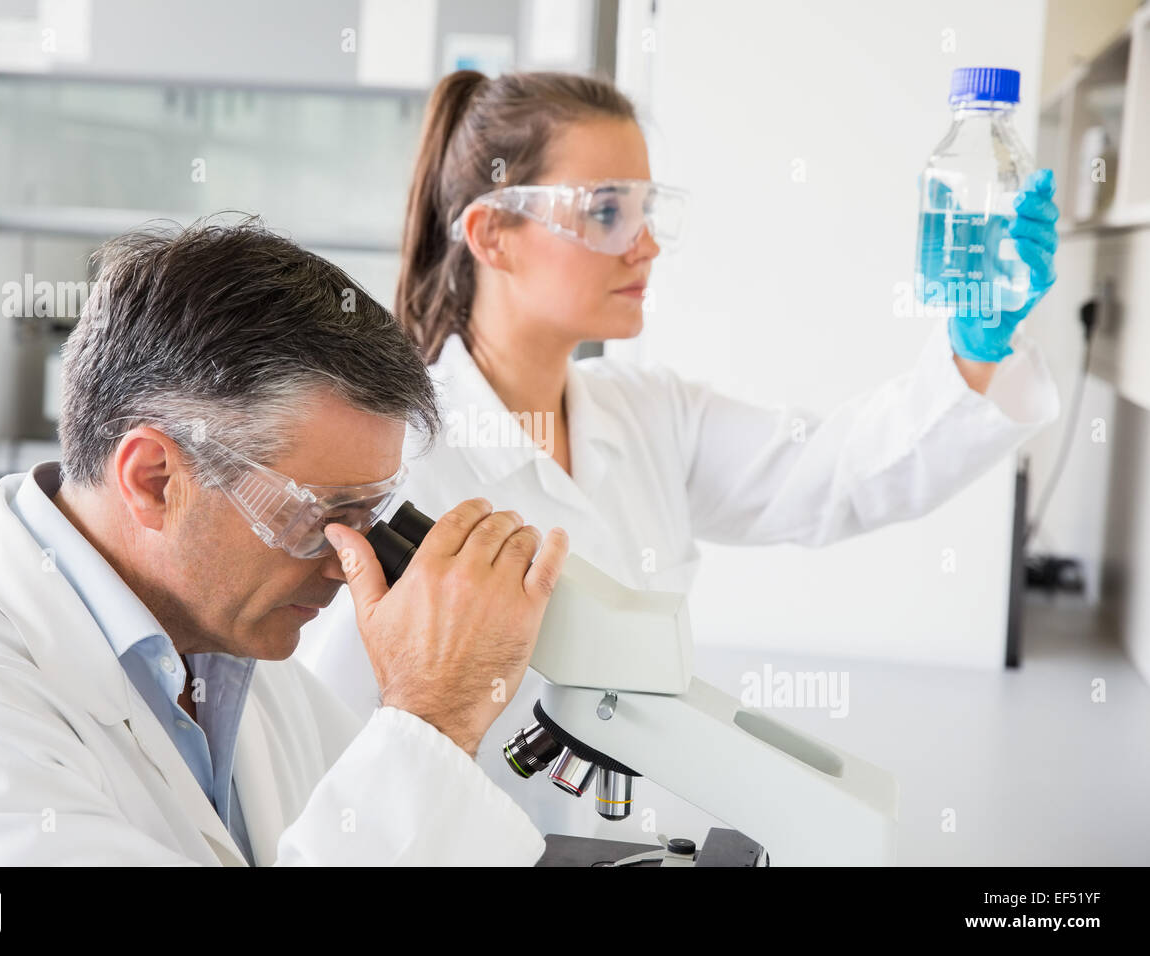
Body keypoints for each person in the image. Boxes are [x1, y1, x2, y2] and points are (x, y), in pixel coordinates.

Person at [307, 70, 1062, 840]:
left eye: (647, 210)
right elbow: (324, 755)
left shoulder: (648, 412)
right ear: (492, 234)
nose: (647, 245)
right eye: (606, 211)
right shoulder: (405, 466)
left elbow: (836, 476)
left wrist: (975, 351)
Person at [0, 218, 570, 866]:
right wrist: (430, 718)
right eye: (323, 514)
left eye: (369, 514)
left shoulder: (228, 655)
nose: (347, 564)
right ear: (155, 479)